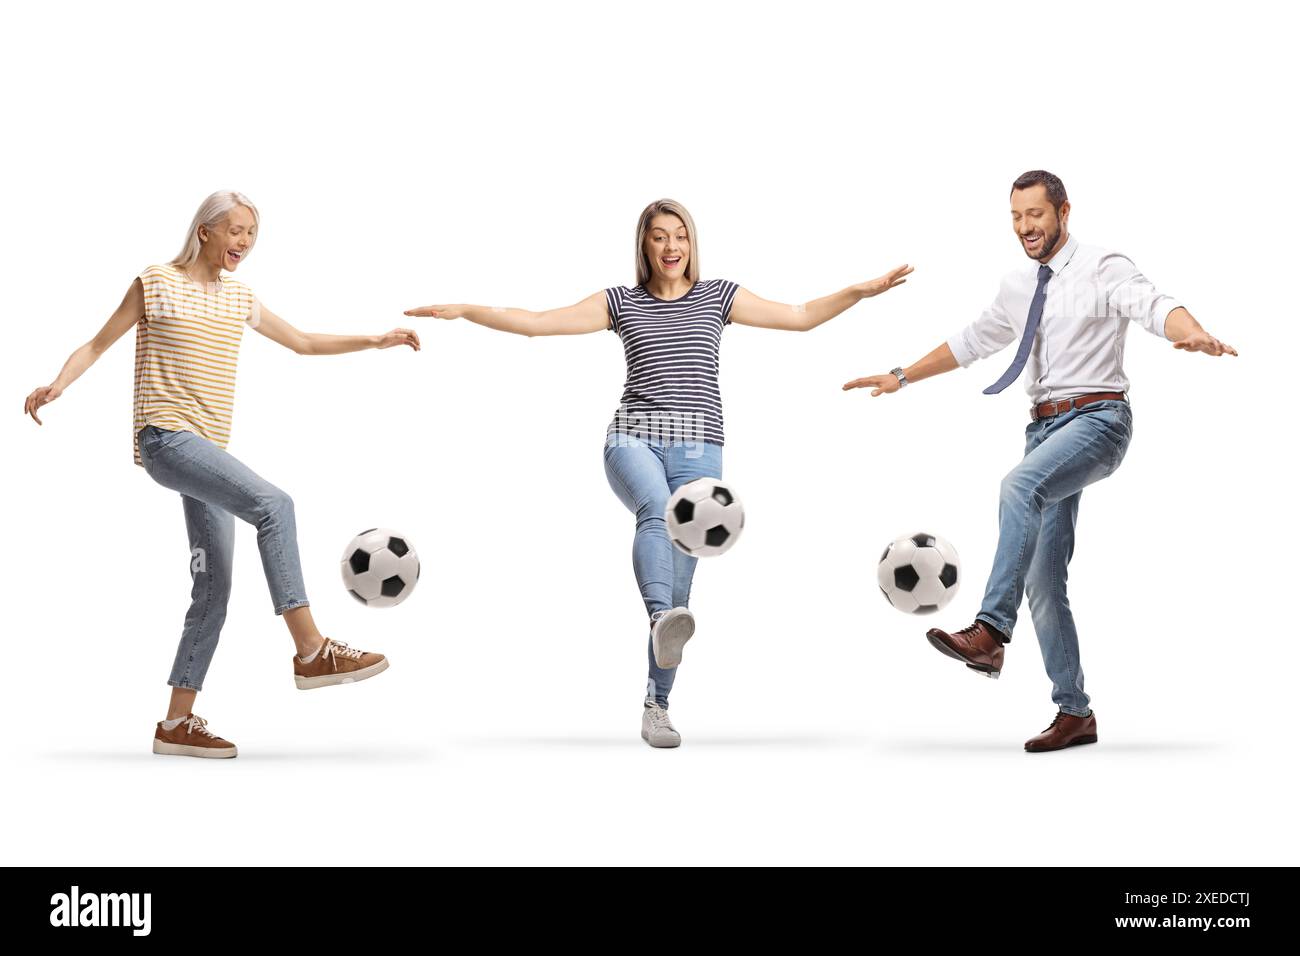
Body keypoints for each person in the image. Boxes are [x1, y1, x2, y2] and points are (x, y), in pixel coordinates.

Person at [406, 198, 910, 747]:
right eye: (659, 237)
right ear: (643, 246)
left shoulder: (718, 296)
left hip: (700, 445)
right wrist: (465, 310)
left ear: (692, 244)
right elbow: (536, 324)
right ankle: (658, 617)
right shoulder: (620, 303)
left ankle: (657, 704)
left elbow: (800, 316)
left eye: (681, 237)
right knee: (656, 514)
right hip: (634, 437)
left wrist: (861, 292)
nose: (671, 247)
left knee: (682, 586)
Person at [843, 170, 1236, 752]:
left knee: (1016, 487)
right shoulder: (1018, 285)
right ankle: (1075, 713)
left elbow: (1154, 306)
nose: (1026, 227)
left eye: (1036, 215)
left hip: (1099, 421)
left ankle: (990, 631)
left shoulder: (1105, 267)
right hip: (1044, 429)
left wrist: (1196, 331)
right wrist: (902, 375)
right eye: (1016, 217)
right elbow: (973, 340)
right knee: (1045, 581)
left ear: (1063, 212)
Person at [24, 190, 421, 758]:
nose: (244, 242)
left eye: (252, 235)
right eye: (235, 230)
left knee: (213, 588)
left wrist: (373, 340)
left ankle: (176, 724)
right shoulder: (156, 282)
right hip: (165, 439)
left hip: (206, 452)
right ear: (205, 231)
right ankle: (311, 651)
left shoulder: (239, 300)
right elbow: (97, 343)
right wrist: (58, 385)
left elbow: (304, 342)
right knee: (274, 506)